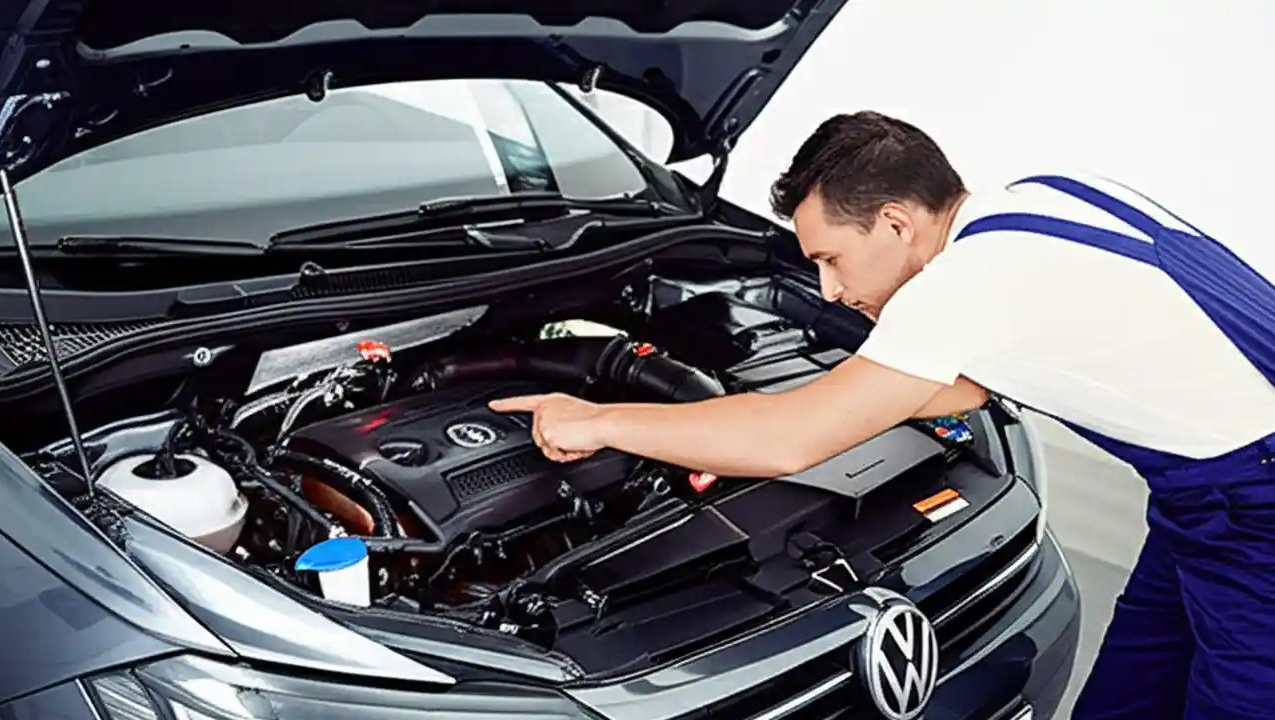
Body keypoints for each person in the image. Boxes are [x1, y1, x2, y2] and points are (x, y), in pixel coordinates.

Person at [489, 111, 1275, 719]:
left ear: (897, 222)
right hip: (1203, 499)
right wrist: (737, 422)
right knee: (1134, 689)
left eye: (830, 259)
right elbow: (960, 391)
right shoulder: (1046, 197)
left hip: (1256, 510)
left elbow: (791, 441)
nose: (829, 292)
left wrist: (598, 422)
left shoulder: (961, 287)